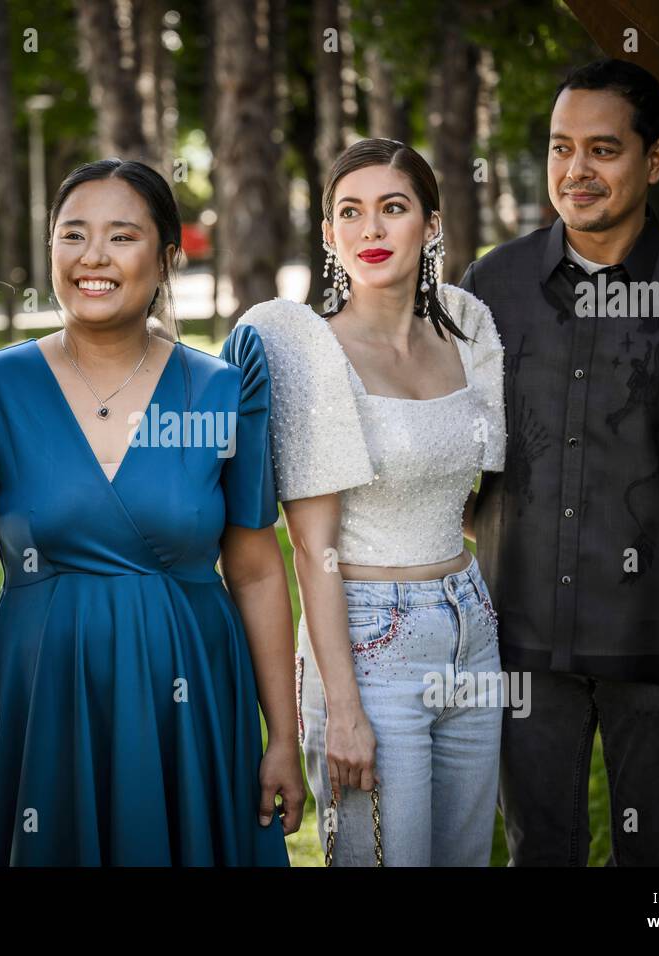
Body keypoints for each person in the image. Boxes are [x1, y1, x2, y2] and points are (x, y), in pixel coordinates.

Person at [0, 158, 303, 866]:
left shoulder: (221, 391)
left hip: (191, 699)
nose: (93, 257)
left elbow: (256, 574)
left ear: (166, 260)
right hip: (42, 702)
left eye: (122, 236)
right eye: (73, 234)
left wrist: (282, 738)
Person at [460, 59, 659, 865]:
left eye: (603, 150)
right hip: (522, 651)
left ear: (656, 161)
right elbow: (453, 449)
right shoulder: (489, 290)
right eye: (561, 148)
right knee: (540, 852)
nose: (577, 171)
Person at [239, 138, 507, 866]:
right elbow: (309, 548)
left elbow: (465, 495)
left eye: (393, 208)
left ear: (431, 223)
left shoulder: (468, 332)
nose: (371, 231)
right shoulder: (313, 352)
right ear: (329, 235)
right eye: (350, 213)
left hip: (472, 625)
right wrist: (343, 706)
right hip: (367, 637)